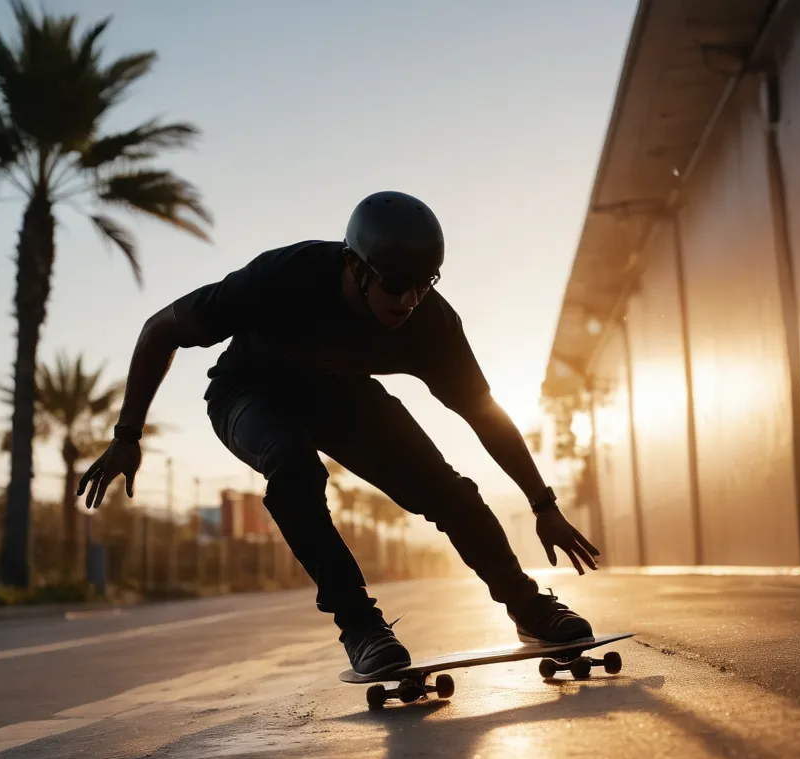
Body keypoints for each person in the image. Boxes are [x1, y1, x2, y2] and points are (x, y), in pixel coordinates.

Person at [78, 191, 600, 677]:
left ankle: (527, 606)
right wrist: (128, 434)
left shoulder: (430, 324)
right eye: (395, 284)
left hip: (342, 398)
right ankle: (360, 625)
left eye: (424, 284)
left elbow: (485, 414)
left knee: (447, 490)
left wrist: (542, 503)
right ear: (355, 265)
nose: (408, 301)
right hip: (247, 393)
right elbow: (160, 330)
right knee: (294, 463)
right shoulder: (283, 277)